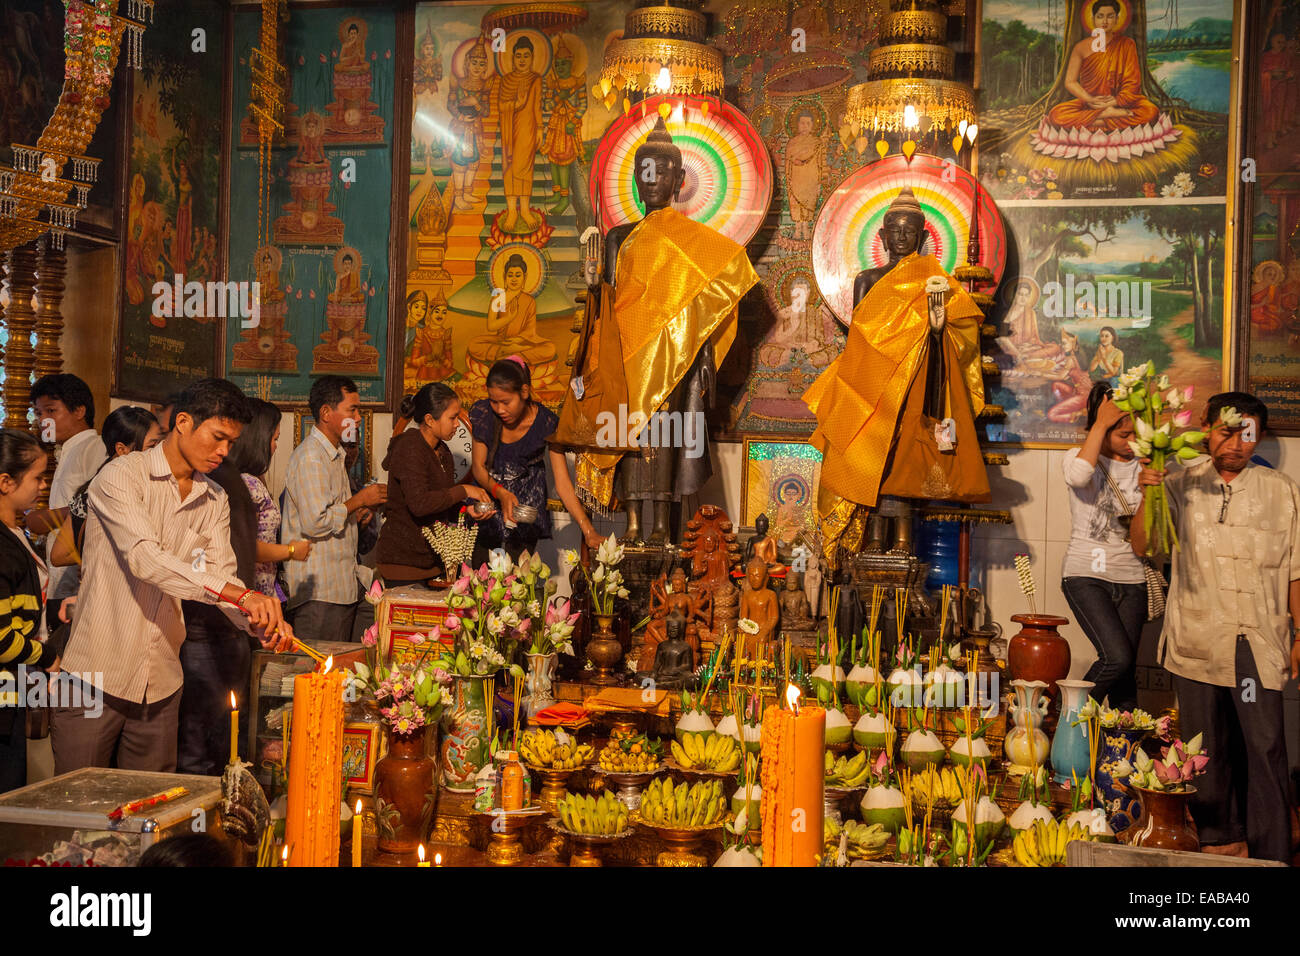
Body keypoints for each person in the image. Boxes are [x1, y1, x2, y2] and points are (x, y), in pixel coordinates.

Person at [51, 379, 293, 776]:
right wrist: (242, 595)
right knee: (79, 808)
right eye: (217, 437)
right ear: (183, 422)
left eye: (231, 443)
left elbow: (217, 578)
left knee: (149, 813)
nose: (223, 452)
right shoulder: (121, 477)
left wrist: (255, 621)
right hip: (97, 674)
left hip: (161, 681)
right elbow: (146, 559)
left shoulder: (214, 498)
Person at [1132, 392, 1299, 863]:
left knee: (1264, 746)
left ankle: (1271, 855)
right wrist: (1150, 489)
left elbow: (1296, 569)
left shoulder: (1280, 490)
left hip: (1257, 642)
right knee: (1205, 750)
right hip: (1197, 638)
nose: (1236, 442)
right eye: (1226, 430)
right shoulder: (1179, 485)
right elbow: (1146, 548)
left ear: (1260, 436)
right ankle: (1216, 845)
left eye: (1248, 433)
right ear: (1206, 428)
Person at [282, 375, 386, 642]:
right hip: (320, 592)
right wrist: (359, 500)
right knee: (318, 676)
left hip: (340, 586)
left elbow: (333, 511)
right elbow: (316, 522)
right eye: (352, 409)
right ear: (326, 413)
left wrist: (357, 515)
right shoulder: (311, 457)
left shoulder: (334, 454)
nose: (359, 417)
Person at [1060, 383, 1144, 710]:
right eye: (1123, 435)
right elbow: (1080, 477)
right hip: (1085, 576)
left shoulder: (1145, 466)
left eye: (1136, 433)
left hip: (1133, 579)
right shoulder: (1077, 459)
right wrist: (1099, 423)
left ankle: (1119, 755)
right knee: (1116, 658)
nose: (1132, 442)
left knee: (1126, 675)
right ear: (1104, 427)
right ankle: (1068, 716)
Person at [472, 358, 603, 558]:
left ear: (524, 392)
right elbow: (478, 469)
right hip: (487, 512)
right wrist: (501, 493)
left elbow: (563, 484)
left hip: (523, 516)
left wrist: (588, 530)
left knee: (518, 584)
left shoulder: (546, 423)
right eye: (494, 401)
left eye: (506, 402)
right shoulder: (483, 414)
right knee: (479, 580)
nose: (499, 409)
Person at [377, 383, 493, 585]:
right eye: (453, 417)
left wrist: (467, 510)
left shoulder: (442, 450)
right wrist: (464, 489)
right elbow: (420, 504)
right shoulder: (410, 447)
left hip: (433, 562)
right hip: (404, 564)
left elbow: (441, 500)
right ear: (430, 420)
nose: (458, 424)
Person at [0, 429, 61, 793]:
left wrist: (54, 607)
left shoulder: (14, 531)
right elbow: (3, 638)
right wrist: (46, 654)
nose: (42, 486)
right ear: (5, 481)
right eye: (37, 477)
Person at [29, 373, 102, 610]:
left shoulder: (94, 447)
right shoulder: (66, 450)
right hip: (59, 576)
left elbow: (98, 503)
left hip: (75, 578)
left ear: (79, 411)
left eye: (51, 411)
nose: (44, 421)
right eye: (39, 413)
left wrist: (46, 520)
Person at [227, 398, 309, 599]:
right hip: (251, 593)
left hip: (263, 590)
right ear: (258, 439)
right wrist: (290, 550)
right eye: (274, 439)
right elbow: (245, 546)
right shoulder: (248, 484)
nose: (275, 447)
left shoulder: (253, 479)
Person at [1044, 0, 1159, 132]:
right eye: (1100, 16)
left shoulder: (1127, 44)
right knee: (1056, 115)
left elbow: (1133, 82)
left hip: (1119, 102)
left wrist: (1115, 101)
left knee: (1151, 112)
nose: (1105, 21)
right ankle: (1105, 117)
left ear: (1117, 19)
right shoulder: (1081, 47)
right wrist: (1090, 99)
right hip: (1090, 103)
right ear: (1093, 19)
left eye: (1110, 16)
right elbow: (1070, 82)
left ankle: (1095, 123)